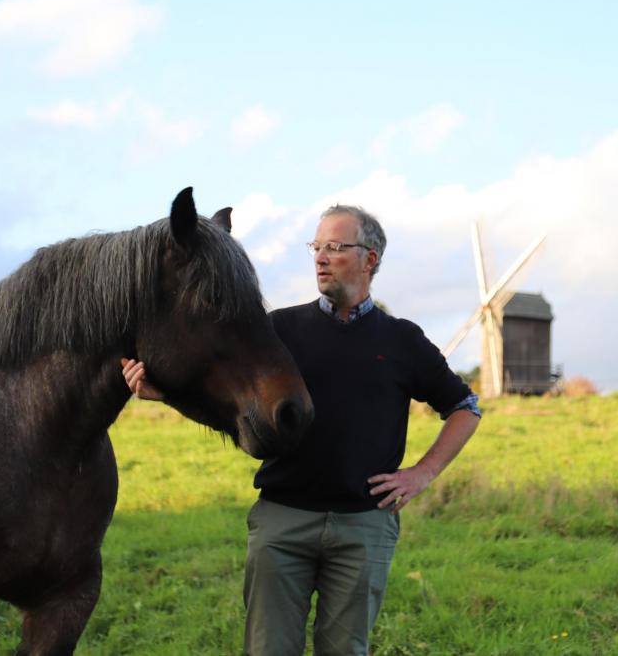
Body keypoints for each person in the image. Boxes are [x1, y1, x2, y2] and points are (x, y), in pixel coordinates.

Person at [121, 205, 481, 656]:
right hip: (282, 522)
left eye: (335, 247)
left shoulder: (401, 340)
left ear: (369, 259)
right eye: (316, 247)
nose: (320, 257)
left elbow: (465, 406)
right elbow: (226, 397)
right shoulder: (277, 330)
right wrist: (165, 393)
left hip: (363, 526)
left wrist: (422, 473)